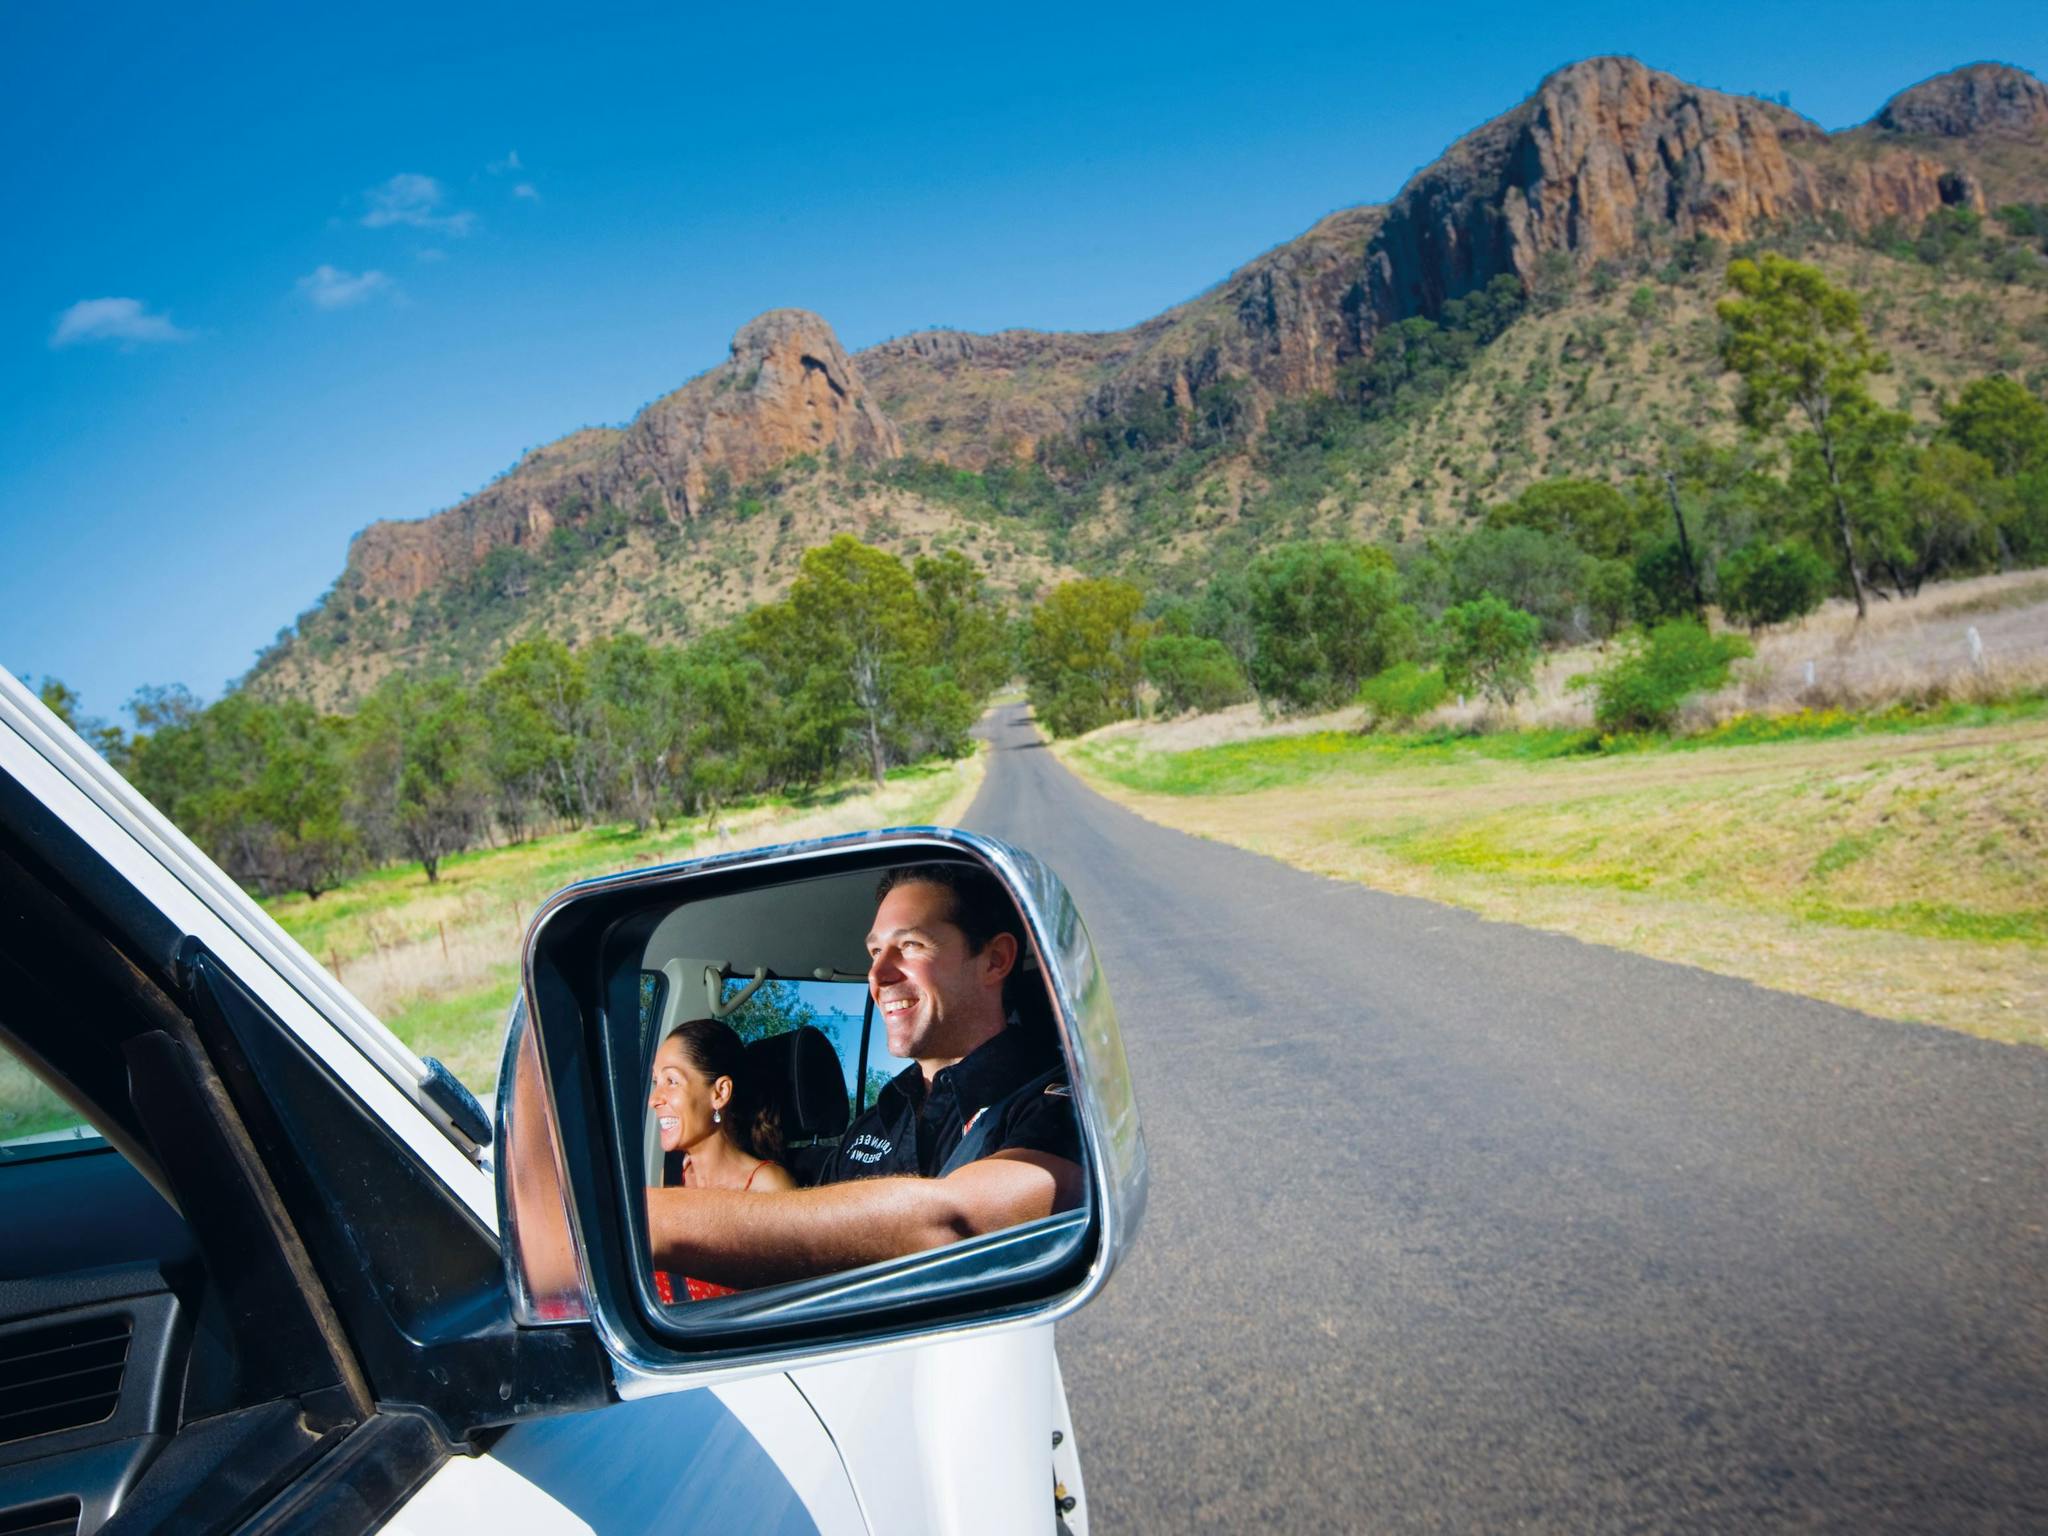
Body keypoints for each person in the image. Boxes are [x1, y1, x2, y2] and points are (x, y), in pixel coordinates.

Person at [645, 863, 1083, 1289]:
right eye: (875, 952)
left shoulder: (1058, 1105)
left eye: (910, 945)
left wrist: (657, 1221)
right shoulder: (875, 1123)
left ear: (995, 960)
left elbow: (959, 1219)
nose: (877, 973)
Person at [646, 1015, 795, 1302]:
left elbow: (782, 1307)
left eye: (671, 1081)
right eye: (656, 1082)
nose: (655, 1098)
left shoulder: (767, 1187)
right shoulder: (675, 1175)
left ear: (719, 1093)